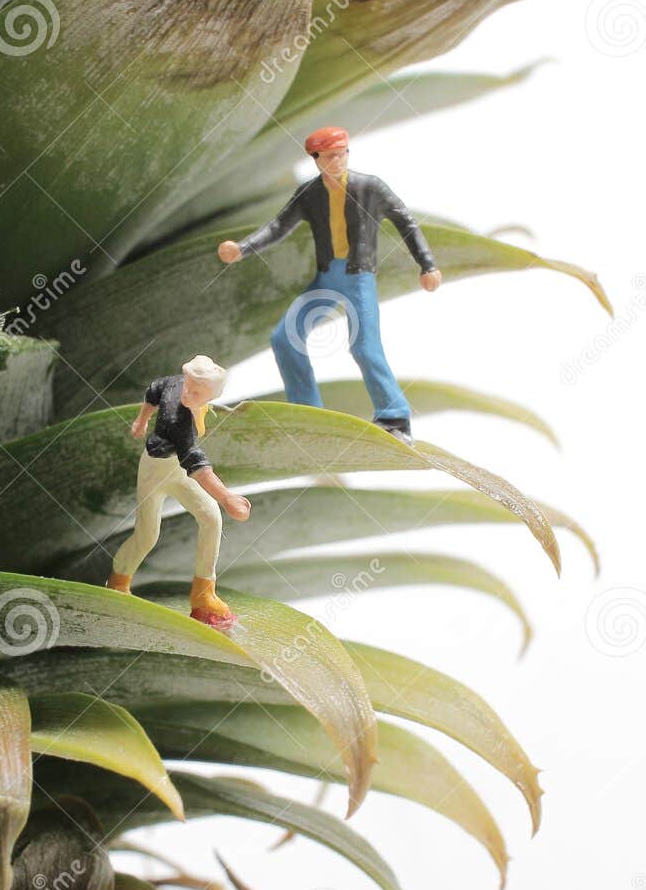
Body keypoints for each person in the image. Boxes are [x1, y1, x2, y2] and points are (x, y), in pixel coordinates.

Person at [216, 125, 442, 444]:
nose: (338, 161)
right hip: (326, 275)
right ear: (316, 158)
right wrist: (243, 248)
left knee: (364, 346)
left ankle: (395, 417)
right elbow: (280, 224)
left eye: (342, 154)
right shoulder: (310, 194)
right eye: (330, 156)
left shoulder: (370, 187)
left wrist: (427, 264)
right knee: (284, 338)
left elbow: (406, 221)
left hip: (358, 275)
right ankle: (309, 413)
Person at [107, 356, 251, 630]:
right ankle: (118, 584)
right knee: (148, 535)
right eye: (188, 384)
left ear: (210, 395)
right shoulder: (179, 420)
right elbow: (198, 466)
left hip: (176, 470)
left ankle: (203, 596)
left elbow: (154, 389)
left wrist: (141, 420)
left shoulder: (175, 384)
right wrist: (226, 497)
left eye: (196, 391)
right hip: (155, 471)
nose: (187, 391)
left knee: (211, 518)